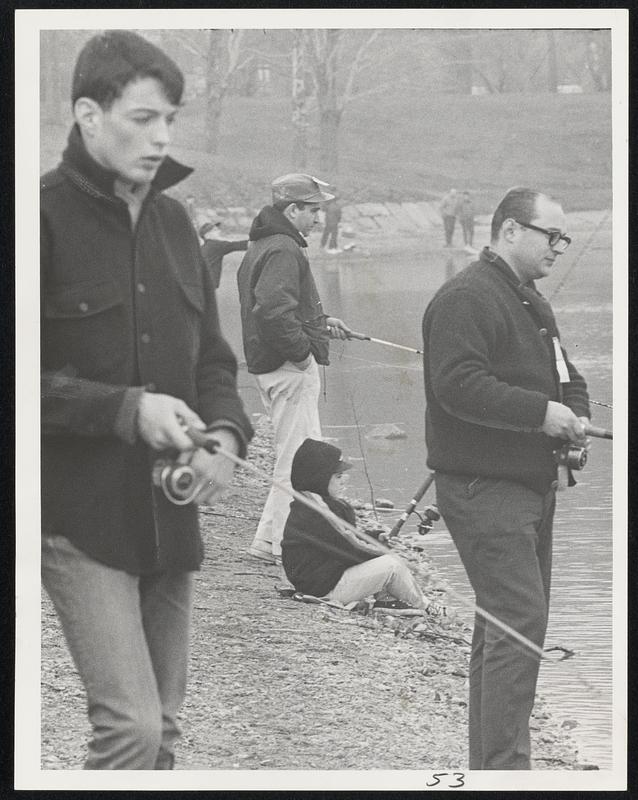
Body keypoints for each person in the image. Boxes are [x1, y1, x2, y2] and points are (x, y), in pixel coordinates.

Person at [40, 31, 253, 769]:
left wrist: (224, 435)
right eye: (141, 118)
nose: (161, 137)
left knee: (163, 731)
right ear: (88, 115)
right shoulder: (37, 219)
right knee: (128, 730)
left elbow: (215, 363)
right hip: (76, 519)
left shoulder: (174, 223)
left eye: (170, 118)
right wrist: (126, 409)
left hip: (171, 518)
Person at [422, 187, 590, 770]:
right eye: (552, 235)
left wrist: (574, 420)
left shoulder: (530, 302)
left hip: (530, 487)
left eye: (563, 238)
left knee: (504, 622)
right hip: (482, 488)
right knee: (519, 621)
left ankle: (491, 766)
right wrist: (543, 415)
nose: (559, 248)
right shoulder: (465, 298)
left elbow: (566, 374)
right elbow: (458, 385)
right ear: (511, 230)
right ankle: (504, 770)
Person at [237, 173, 352, 564]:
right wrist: (302, 353)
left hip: (272, 367)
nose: (319, 219)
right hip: (287, 368)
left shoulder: (264, 245)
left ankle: (269, 543)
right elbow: (270, 310)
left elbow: (278, 306)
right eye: (314, 210)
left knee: (293, 458)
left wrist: (321, 321)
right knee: (298, 462)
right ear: (292, 210)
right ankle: (283, 551)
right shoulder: (284, 248)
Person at [282, 439, 437, 612]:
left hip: (319, 582)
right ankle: (428, 608)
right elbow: (351, 548)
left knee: (383, 560)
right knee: (392, 566)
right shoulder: (318, 511)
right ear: (319, 478)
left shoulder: (310, 502)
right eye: (338, 477)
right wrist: (387, 553)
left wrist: (374, 537)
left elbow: (344, 536)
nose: (343, 482)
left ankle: (387, 599)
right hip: (324, 589)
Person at [199, 219, 248, 289]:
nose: (219, 231)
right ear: (207, 234)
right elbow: (240, 245)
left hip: (201, 284)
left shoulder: (203, 248)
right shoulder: (215, 245)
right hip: (208, 286)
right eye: (215, 230)